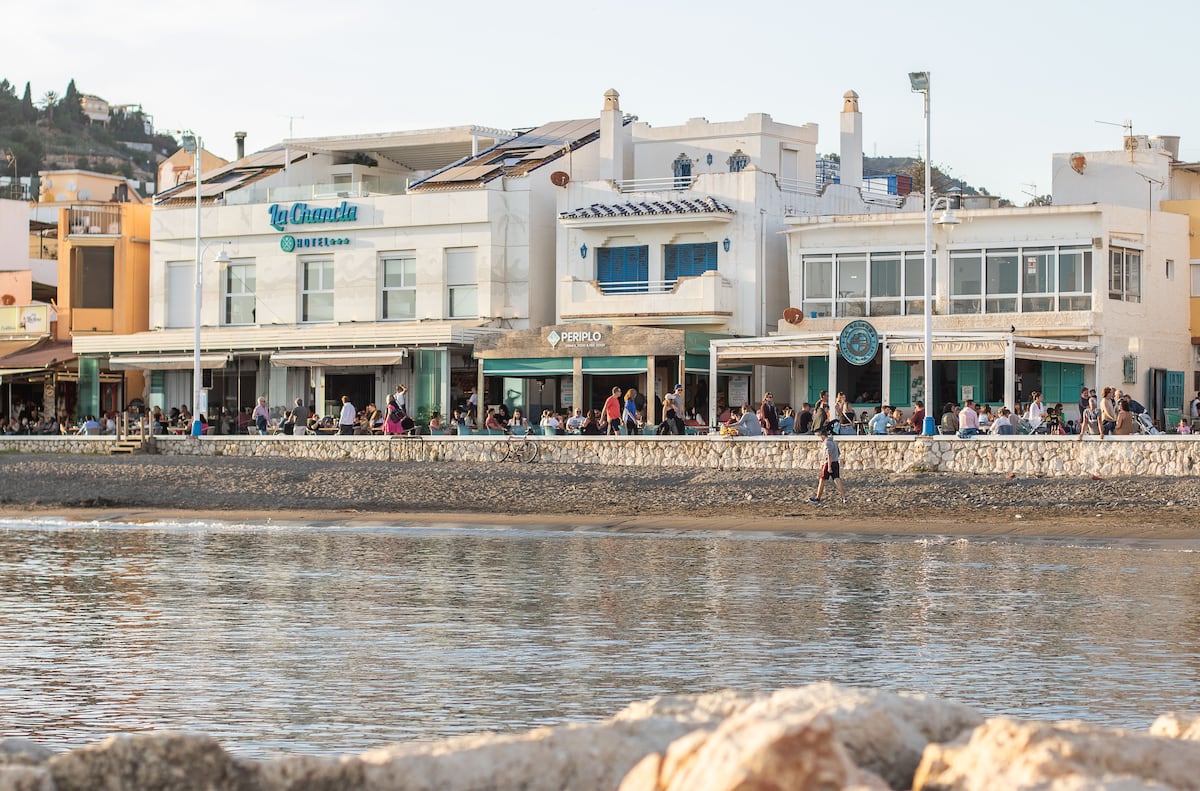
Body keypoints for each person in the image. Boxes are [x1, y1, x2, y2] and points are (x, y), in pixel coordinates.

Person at [808, 426, 847, 505]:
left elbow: (828, 455)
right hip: (835, 462)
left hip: (828, 463)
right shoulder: (834, 442)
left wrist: (829, 466)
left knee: (822, 480)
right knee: (837, 480)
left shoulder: (827, 443)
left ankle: (818, 498)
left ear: (822, 435)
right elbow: (838, 453)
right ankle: (844, 497)